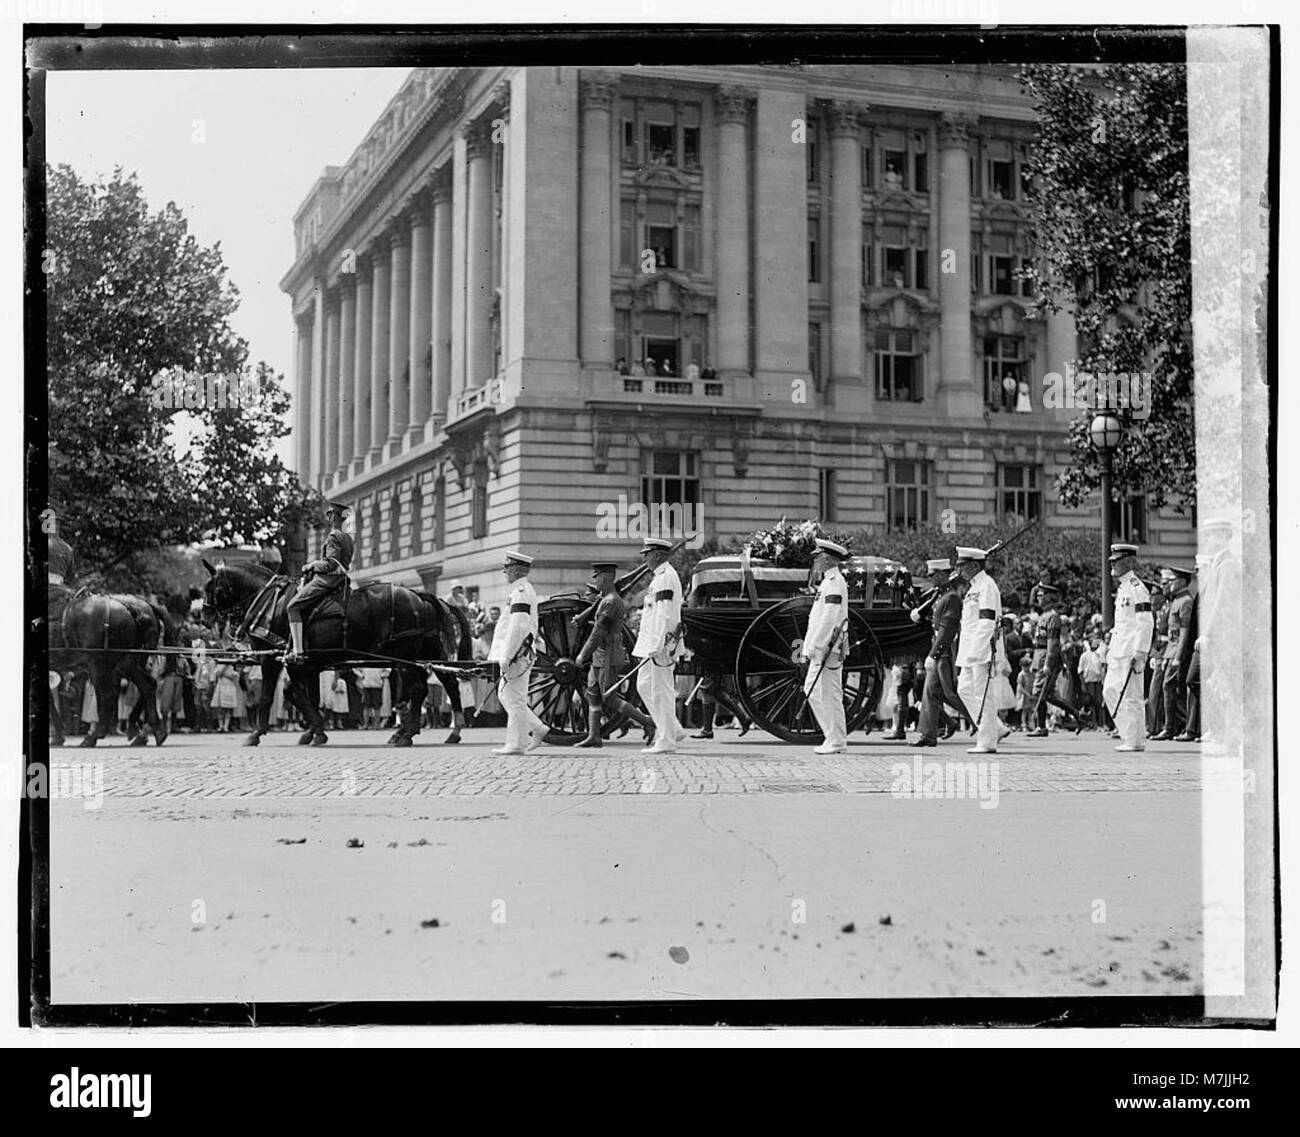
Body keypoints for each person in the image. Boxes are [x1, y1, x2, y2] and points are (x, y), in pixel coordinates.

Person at [573, 562, 656, 748]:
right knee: (593, 694)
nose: (595, 581)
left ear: (606, 577)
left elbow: (598, 631)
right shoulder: (605, 599)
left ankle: (647, 722)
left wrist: (582, 655)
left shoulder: (610, 602)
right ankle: (594, 736)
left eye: (597, 577)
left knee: (609, 697)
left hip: (608, 653)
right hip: (601, 653)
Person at [488, 551, 549, 755]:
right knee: (507, 695)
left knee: (513, 697)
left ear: (515, 570)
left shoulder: (521, 591)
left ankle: (516, 744)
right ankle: (538, 729)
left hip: (517, 655)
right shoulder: (519, 590)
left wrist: (506, 656)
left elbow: (518, 627)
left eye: (506, 569)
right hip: (518, 654)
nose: (504, 572)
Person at [632, 536, 687, 754]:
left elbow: (665, 615)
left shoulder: (665, 577)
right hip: (653, 644)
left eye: (647, 554)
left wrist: (657, 645)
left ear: (656, 554)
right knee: (644, 685)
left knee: (660, 690)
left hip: (661, 645)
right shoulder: (660, 577)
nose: (645, 558)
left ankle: (666, 740)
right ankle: (673, 728)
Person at [909, 558, 969, 747]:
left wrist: (933, 654)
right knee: (930, 693)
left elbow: (946, 630)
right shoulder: (942, 596)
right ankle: (927, 734)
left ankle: (986, 722)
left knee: (951, 693)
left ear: (943, 575)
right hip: (939, 650)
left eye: (933, 575)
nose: (931, 578)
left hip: (945, 651)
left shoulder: (951, 597)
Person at [800, 538, 851, 755]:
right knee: (814, 690)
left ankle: (836, 739)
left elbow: (829, 618)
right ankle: (833, 737)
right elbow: (818, 617)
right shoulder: (828, 582)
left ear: (828, 559)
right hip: (823, 647)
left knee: (829, 694)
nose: (816, 560)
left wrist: (815, 646)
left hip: (829, 647)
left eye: (818, 557)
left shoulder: (835, 582)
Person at [287, 501, 354, 662]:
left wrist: (311, 565)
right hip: (341, 579)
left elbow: (331, 564)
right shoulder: (348, 537)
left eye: (329, 514)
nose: (328, 518)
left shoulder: (333, 536)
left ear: (333, 517)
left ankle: (298, 651)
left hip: (328, 580)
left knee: (293, 607)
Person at [1105, 543, 1155, 752]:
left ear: (1129, 562)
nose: (1113, 565)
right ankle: (1128, 733)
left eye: (1117, 561)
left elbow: (1145, 621)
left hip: (1130, 651)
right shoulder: (1124, 587)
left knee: (1132, 695)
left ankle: (1134, 740)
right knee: (1110, 690)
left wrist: (1140, 652)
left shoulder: (1137, 587)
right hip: (1119, 650)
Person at [954, 546, 1002, 754]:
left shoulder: (986, 586)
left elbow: (987, 621)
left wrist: (976, 649)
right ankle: (994, 727)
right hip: (969, 650)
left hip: (981, 649)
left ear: (975, 565)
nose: (959, 570)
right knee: (964, 690)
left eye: (962, 565)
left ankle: (986, 741)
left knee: (983, 695)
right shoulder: (974, 587)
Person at [1025, 581, 1086, 737]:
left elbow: (1053, 644)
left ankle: (1041, 727)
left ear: (1049, 598)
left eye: (1041, 595)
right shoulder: (1043, 616)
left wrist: (1048, 664)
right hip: (1039, 657)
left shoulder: (1053, 617)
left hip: (1046, 658)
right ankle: (1077, 714)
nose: (1038, 597)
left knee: (1038, 692)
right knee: (1048, 695)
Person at [1151, 566, 1193, 740]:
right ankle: (1171, 727)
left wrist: (1177, 657)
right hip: (1169, 650)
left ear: (1182, 581)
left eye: (1173, 580)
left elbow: (1184, 631)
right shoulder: (1176, 601)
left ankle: (1172, 727)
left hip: (1176, 651)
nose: (1170, 584)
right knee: (1168, 688)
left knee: (1170, 687)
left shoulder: (1185, 601)